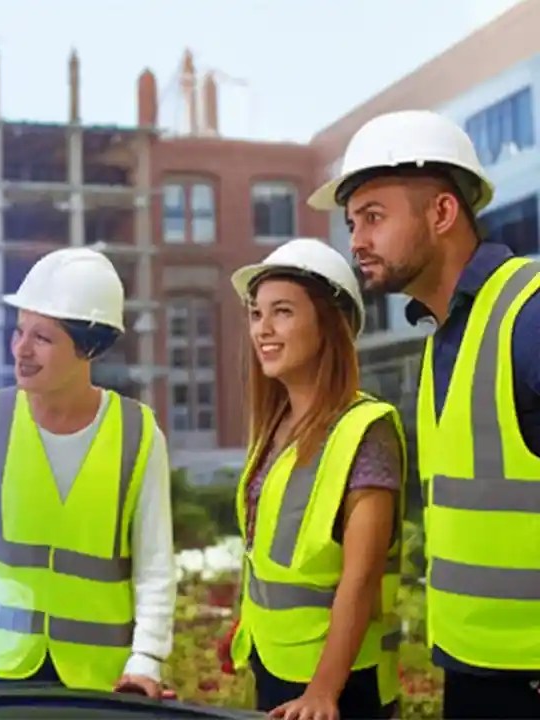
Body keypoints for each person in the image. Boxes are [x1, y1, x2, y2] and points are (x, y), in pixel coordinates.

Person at [310, 109, 540, 720]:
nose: (355, 240)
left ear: (441, 213)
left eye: (374, 217)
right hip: (473, 671)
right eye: (352, 222)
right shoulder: (445, 339)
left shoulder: (529, 316)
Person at [0, 246, 176, 698]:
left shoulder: (138, 435)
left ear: (89, 346)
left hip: (98, 678)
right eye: (19, 331)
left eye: (43, 338)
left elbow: (154, 566)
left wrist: (145, 660)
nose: (21, 350)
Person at [223, 238, 405, 719]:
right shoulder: (275, 427)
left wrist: (324, 690)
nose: (264, 328)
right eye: (257, 313)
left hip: (341, 686)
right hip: (276, 667)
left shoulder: (366, 431)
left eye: (282, 312)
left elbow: (360, 578)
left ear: (330, 324)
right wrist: (250, 626)